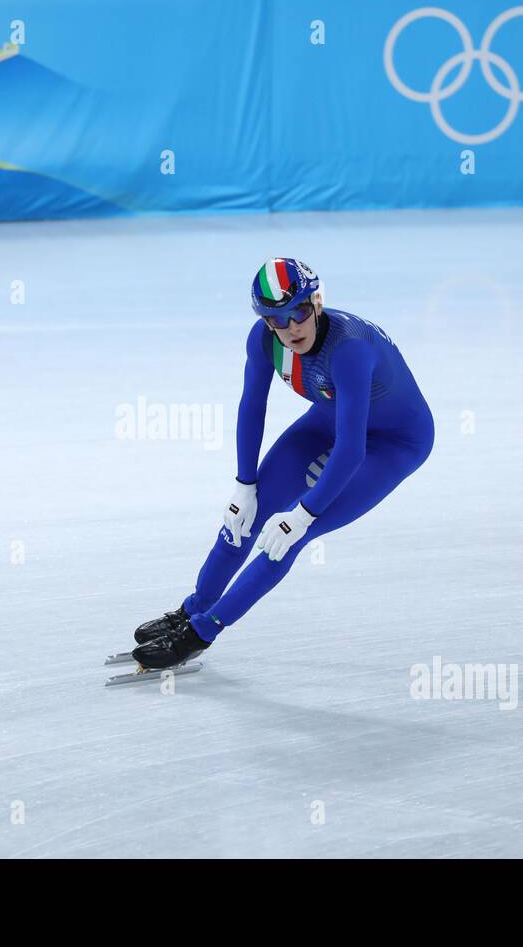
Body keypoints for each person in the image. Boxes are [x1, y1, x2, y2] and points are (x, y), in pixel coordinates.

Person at [130, 258, 435, 669]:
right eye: (277, 319)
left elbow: (352, 450)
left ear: (317, 303)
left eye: (300, 312)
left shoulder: (349, 349)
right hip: (328, 420)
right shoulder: (263, 340)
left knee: (287, 536)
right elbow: (252, 407)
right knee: (245, 519)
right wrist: (244, 485)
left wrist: (303, 515)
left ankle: (202, 631)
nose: (292, 327)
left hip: (392, 443)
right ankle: (191, 610)